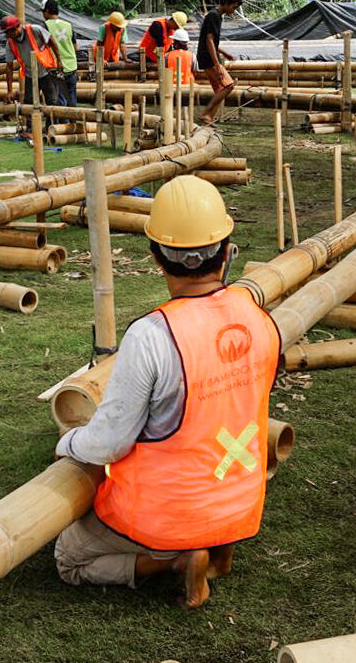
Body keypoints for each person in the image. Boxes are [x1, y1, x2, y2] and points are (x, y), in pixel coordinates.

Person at [53, 176, 280, 609]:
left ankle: (174, 560)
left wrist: (69, 444)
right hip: (239, 502)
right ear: (227, 250)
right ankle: (221, 545)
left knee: (69, 557)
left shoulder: (153, 335)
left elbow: (108, 443)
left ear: (157, 256)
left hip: (169, 513)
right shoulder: (259, 319)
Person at [195, 0, 241, 126]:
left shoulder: (217, 16)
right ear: (226, 3)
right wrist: (217, 64)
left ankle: (208, 119)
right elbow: (209, 41)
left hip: (206, 55)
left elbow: (212, 41)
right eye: (234, 7)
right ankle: (206, 113)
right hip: (207, 57)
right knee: (228, 86)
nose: (234, 10)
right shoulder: (214, 16)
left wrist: (225, 54)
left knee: (219, 89)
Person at [0, 14, 59, 106]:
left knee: (52, 102)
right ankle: (30, 121)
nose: (7, 35)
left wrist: (59, 60)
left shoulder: (35, 30)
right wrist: (9, 91)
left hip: (47, 72)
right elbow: (9, 67)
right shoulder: (10, 43)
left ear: (16, 28)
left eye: (8, 32)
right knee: (29, 103)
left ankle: (51, 120)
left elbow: (51, 40)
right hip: (30, 74)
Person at [41, 0, 78, 107]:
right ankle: (73, 123)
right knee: (71, 99)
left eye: (43, 12)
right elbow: (75, 46)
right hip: (71, 66)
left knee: (61, 101)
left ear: (47, 11)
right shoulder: (68, 25)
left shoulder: (44, 26)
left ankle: (64, 124)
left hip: (56, 67)